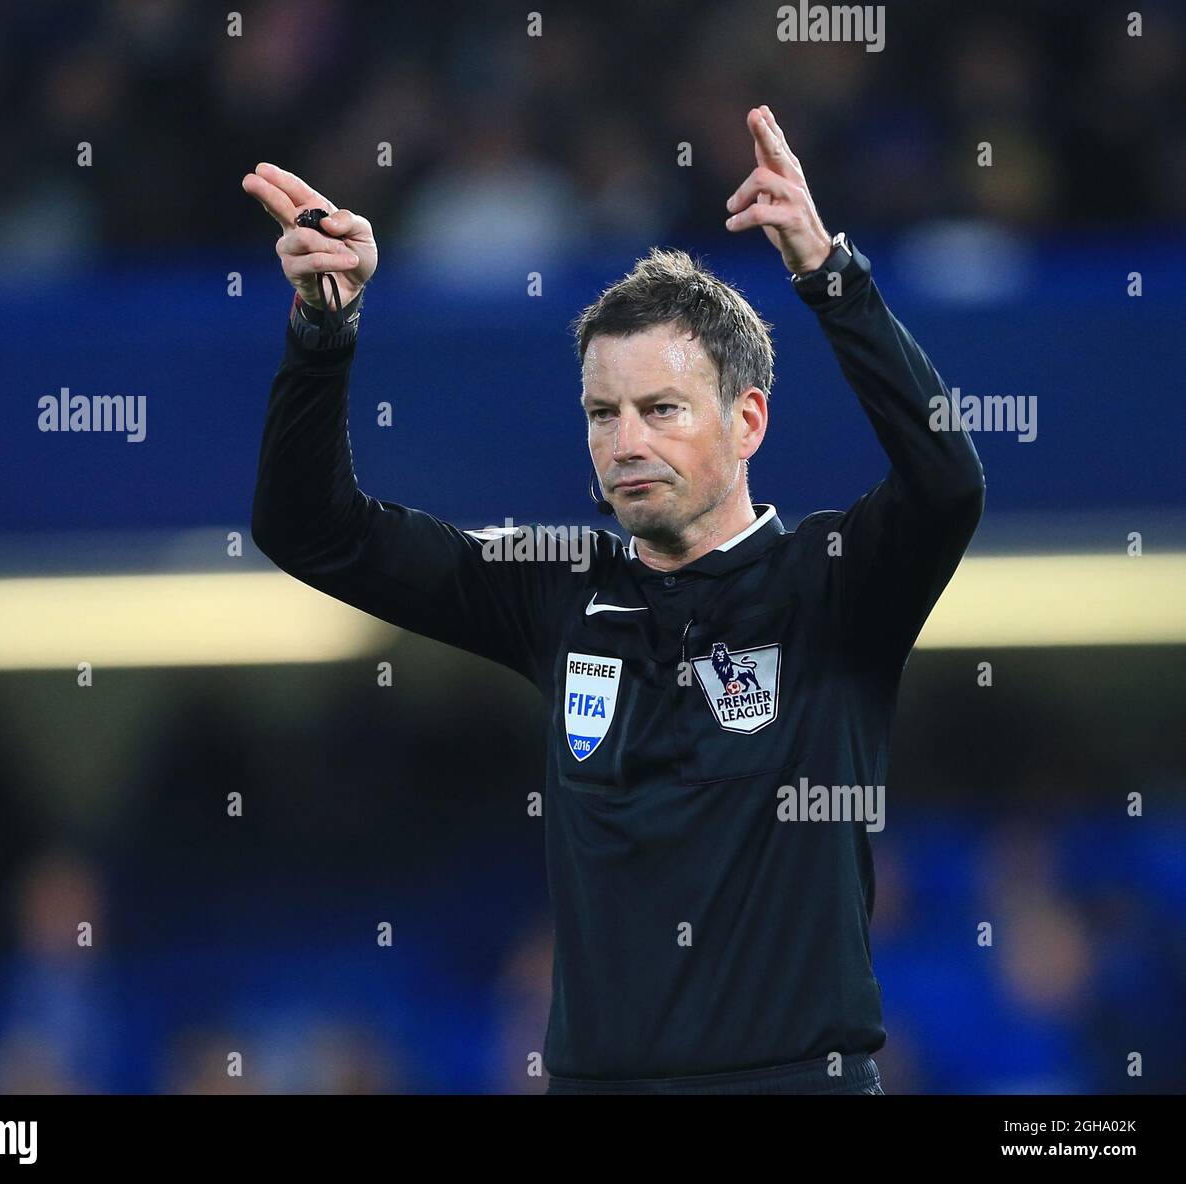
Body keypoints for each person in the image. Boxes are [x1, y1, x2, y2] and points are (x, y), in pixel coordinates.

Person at [244, 104, 984, 1095]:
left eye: (661, 408)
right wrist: (323, 333)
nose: (626, 440)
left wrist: (829, 275)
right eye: (604, 412)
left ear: (747, 418)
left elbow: (947, 481)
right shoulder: (555, 586)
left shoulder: (835, 579)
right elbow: (313, 531)